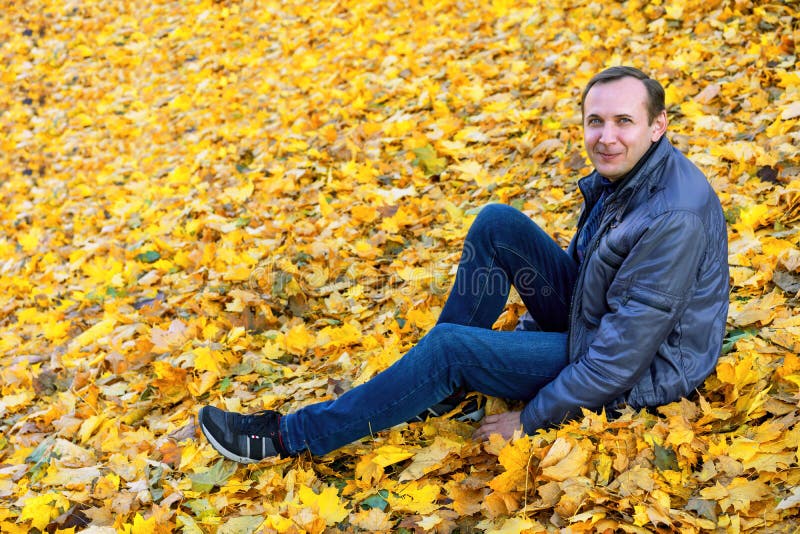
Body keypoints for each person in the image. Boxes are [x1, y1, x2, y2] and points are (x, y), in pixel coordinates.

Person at [199, 66, 730, 463]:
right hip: (603, 328)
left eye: (623, 121)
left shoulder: (672, 216)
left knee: (451, 348)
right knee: (497, 222)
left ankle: (287, 437)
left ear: (658, 125)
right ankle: (440, 387)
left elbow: (619, 361)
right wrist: (524, 334)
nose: (605, 136)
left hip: (642, 368)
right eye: (595, 121)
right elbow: (591, 271)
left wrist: (530, 418)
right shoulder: (632, 176)